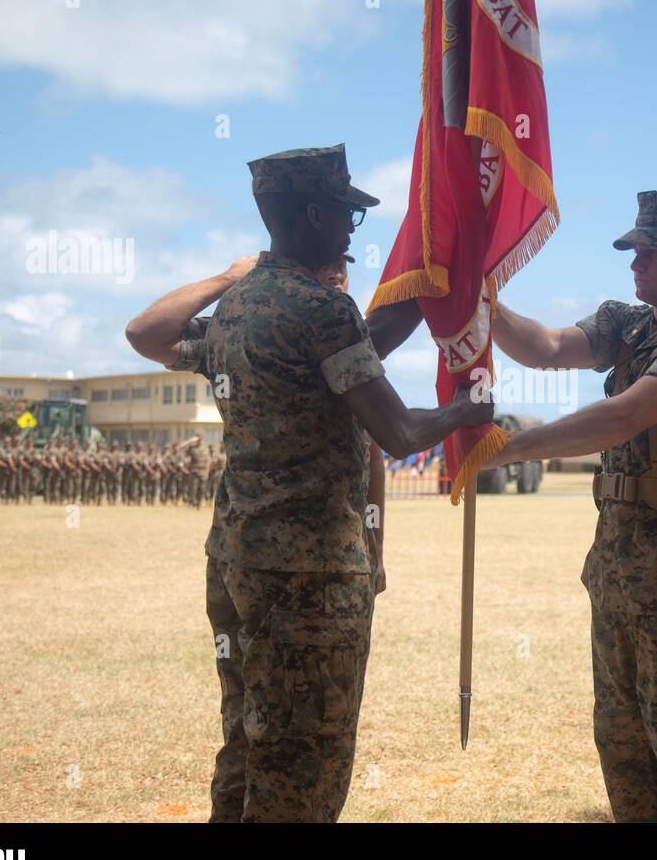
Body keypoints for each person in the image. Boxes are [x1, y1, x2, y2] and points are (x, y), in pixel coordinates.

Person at [125, 144, 488, 823]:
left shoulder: (240, 313)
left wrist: (231, 276)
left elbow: (145, 332)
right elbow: (402, 433)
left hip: (237, 562)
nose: (354, 230)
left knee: (247, 734)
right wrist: (467, 410)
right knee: (305, 758)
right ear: (315, 214)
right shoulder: (322, 309)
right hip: (311, 576)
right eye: (347, 215)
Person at [484, 190, 657, 823]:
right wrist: (483, 305)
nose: (634, 262)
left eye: (648, 251)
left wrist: (505, 448)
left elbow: (623, 416)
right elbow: (546, 347)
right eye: (631, 250)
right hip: (620, 576)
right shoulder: (631, 324)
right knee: (624, 748)